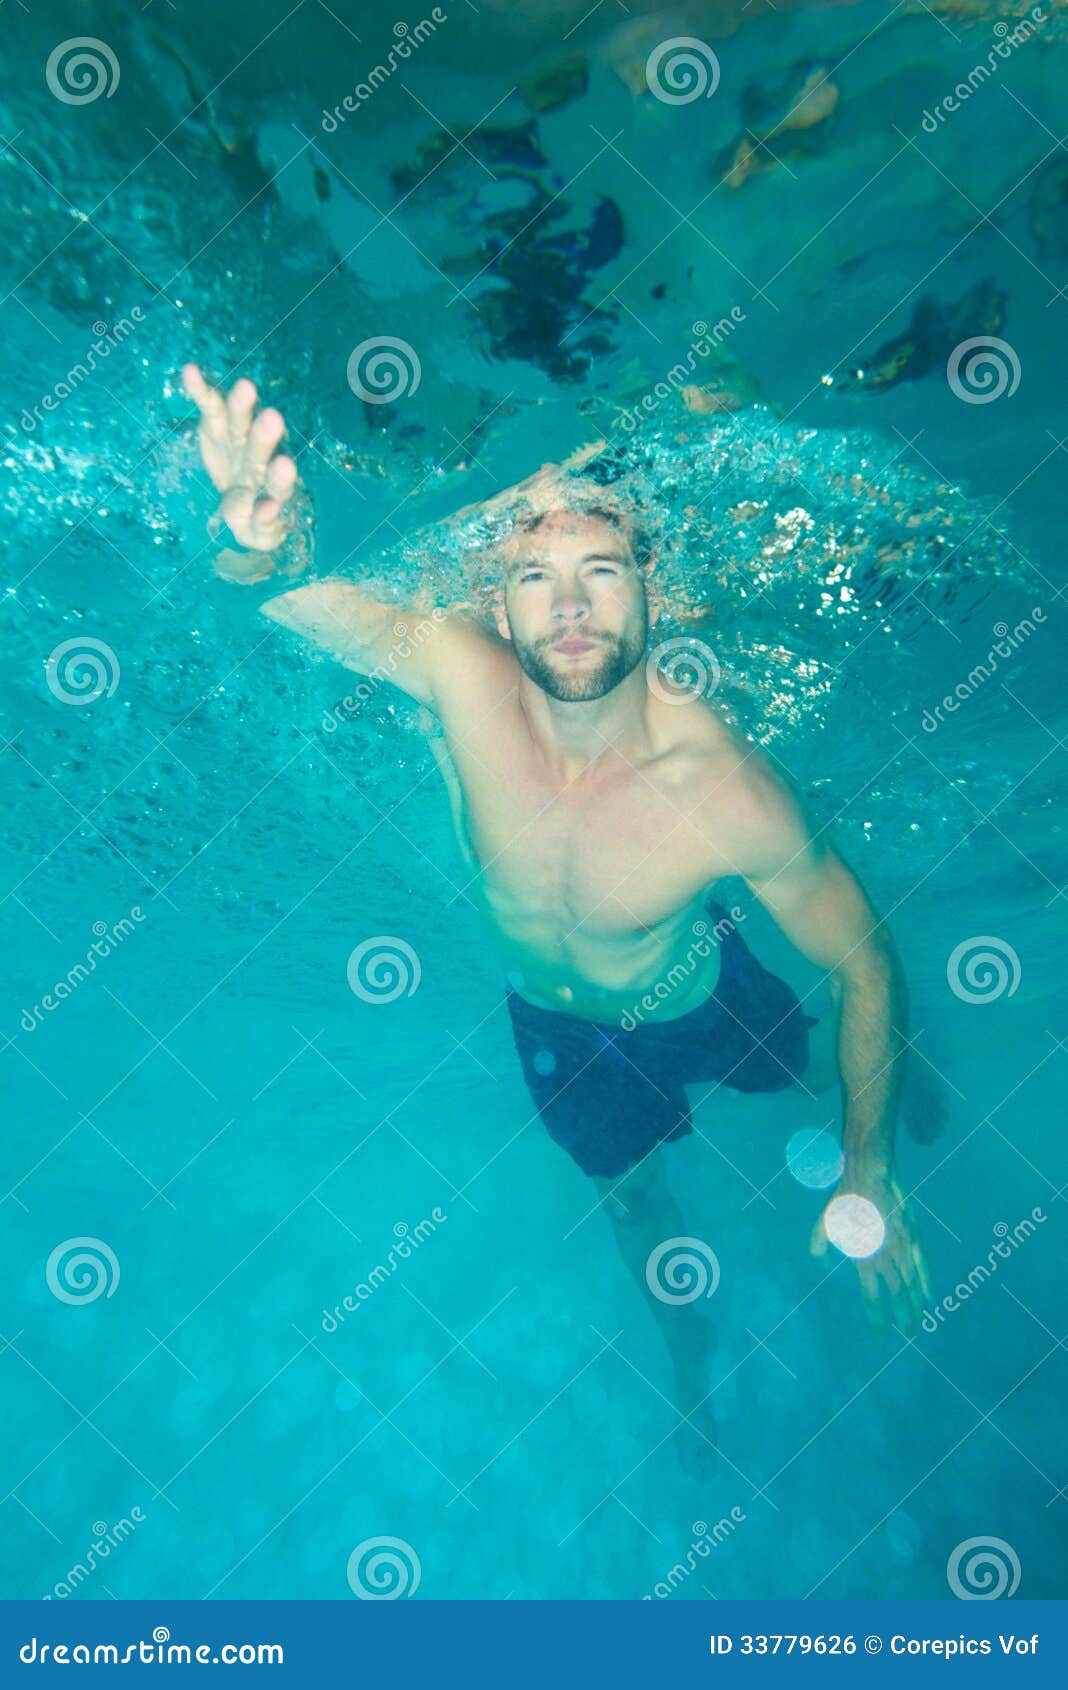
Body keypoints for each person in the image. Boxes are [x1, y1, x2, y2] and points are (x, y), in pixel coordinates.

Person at [182, 364, 931, 1460]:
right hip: (556, 1032)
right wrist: (258, 539)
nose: (570, 607)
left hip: (697, 996)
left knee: (814, 1066)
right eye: (536, 575)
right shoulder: (459, 673)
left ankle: (900, 1090)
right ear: (498, 603)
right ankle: (691, 1367)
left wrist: (868, 1171)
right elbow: (282, 596)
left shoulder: (724, 789)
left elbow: (865, 960)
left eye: (601, 571)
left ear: (650, 589)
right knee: (633, 1209)